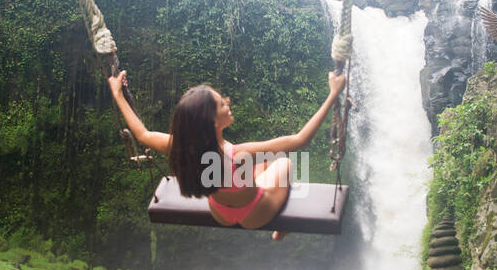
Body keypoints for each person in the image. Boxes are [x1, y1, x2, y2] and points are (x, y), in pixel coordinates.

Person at [108, 70, 347, 241]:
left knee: (262, 164)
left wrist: (118, 94)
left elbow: (141, 133)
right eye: (222, 103)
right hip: (255, 214)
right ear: (212, 122)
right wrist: (332, 95)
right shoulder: (241, 154)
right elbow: (299, 140)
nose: (227, 102)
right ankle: (281, 228)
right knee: (283, 162)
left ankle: (257, 198)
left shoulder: (181, 146)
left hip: (219, 211)